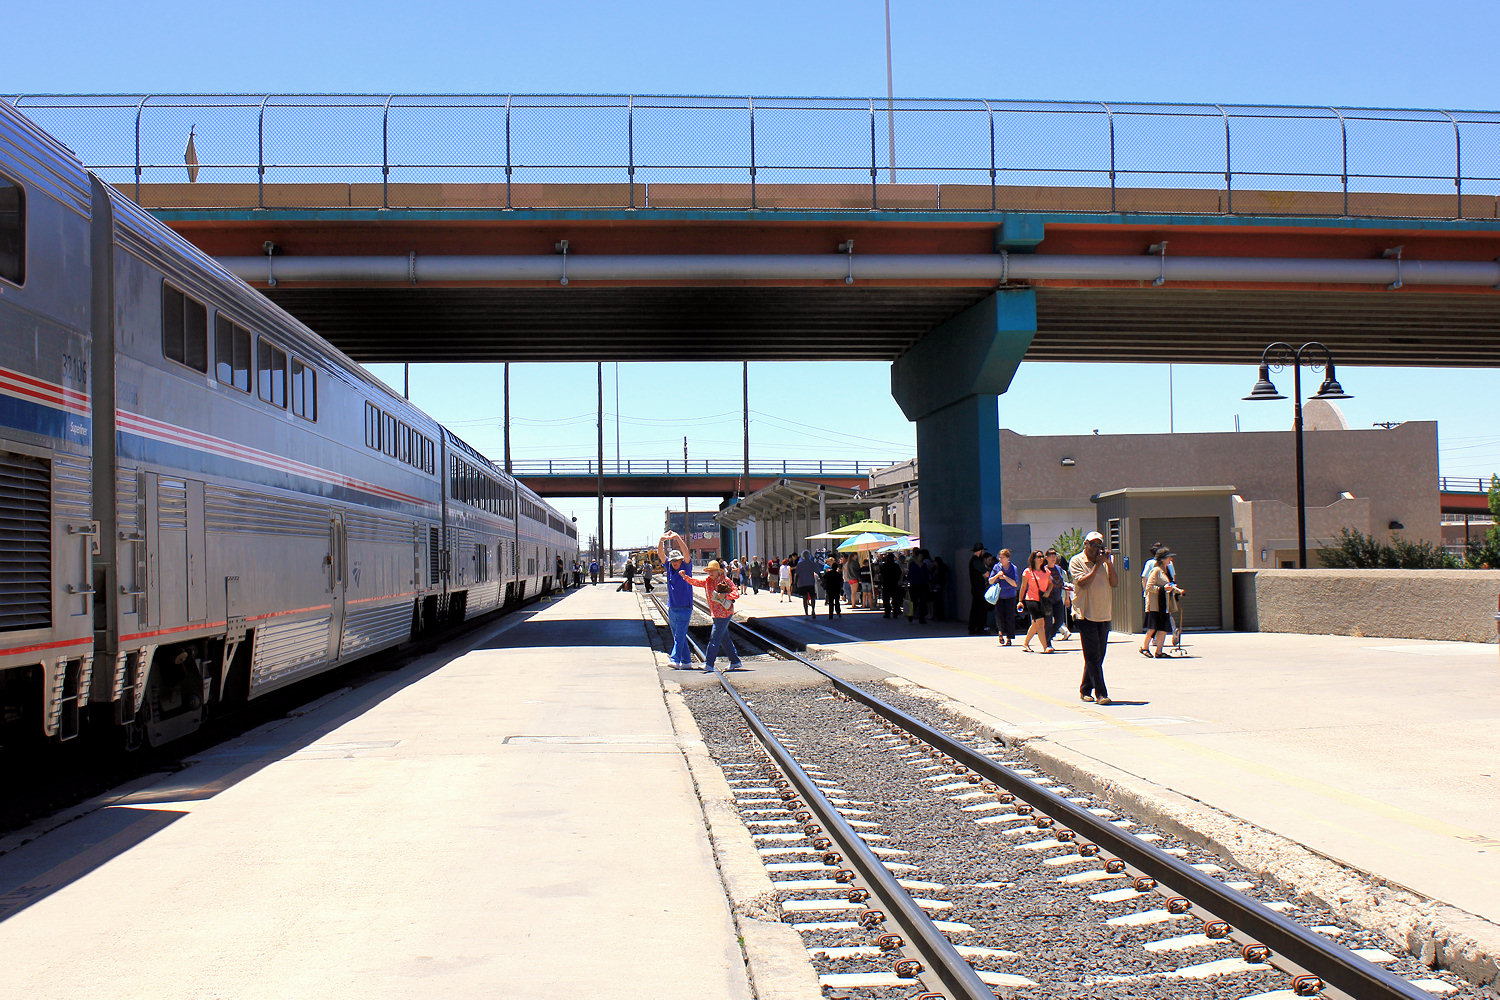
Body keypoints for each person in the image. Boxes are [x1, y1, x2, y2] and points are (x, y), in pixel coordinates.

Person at [1069, 530, 1120, 705]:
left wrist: (1108, 563)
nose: (1096, 549)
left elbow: (1114, 582)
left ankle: (1085, 688)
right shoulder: (1077, 561)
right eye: (1093, 545)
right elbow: (1082, 583)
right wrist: (1097, 565)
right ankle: (1101, 693)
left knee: (1099, 655)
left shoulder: (1105, 562)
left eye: (1099, 545)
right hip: (1085, 613)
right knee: (1092, 655)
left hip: (1103, 612)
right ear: (1086, 544)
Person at [677, 559, 743, 671]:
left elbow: (736, 593)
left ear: (718, 571)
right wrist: (685, 577)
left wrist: (725, 595)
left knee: (714, 638)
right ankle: (735, 662)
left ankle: (709, 664)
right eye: (709, 571)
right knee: (723, 638)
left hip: (724, 614)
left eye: (713, 571)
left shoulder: (726, 581)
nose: (710, 573)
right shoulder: (708, 582)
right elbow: (696, 582)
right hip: (716, 614)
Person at [658, 533, 695, 668]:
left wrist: (677, 538)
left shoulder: (686, 567)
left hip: (685, 606)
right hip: (672, 607)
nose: (674, 563)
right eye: (672, 561)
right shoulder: (668, 568)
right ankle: (686, 661)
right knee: (678, 636)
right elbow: (661, 554)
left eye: (676, 560)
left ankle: (674, 659)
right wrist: (661, 540)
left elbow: (686, 552)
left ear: (681, 560)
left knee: (679, 635)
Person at [1140, 549, 1183, 658]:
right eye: (1169, 557)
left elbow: (1169, 585)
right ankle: (1144, 647)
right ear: (1163, 559)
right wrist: (1162, 588)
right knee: (1153, 627)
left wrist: (1178, 591)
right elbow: (1149, 587)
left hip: (1164, 605)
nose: (1171, 560)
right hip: (1155, 605)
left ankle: (1159, 651)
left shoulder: (1165, 571)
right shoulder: (1156, 571)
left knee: (1163, 628)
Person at [1018, 550, 1055, 653]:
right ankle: (1045, 646)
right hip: (1031, 599)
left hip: (1042, 600)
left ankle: (1025, 643)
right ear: (1033, 559)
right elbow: (1023, 586)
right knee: (1040, 622)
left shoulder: (1046, 571)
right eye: (1039, 557)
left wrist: (1048, 591)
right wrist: (1020, 601)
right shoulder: (1028, 572)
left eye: (1042, 556)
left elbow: (1051, 583)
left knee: (1035, 623)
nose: (1041, 559)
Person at [988, 548, 1020, 645]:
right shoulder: (996, 567)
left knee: (1010, 616)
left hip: (1010, 595)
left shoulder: (1013, 568)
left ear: (1008, 558)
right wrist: (997, 575)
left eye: (1002, 557)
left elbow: (1015, 584)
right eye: (1000, 557)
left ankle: (1009, 638)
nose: (1000, 559)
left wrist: (1005, 577)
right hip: (1000, 595)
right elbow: (990, 581)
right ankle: (1001, 632)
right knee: (999, 616)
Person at [1044, 548, 1070, 644]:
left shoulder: (1059, 569)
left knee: (1059, 620)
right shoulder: (1044, 570)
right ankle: (1047, 643)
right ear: (1046, 558)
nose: (1053, 558)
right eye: (1051, 556)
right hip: (1048, 599)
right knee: (1048, 621)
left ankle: (1049, 636)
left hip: (1058, 598)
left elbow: (1062, 583)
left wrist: (1068, 593)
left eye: (1054, 555)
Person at [905, 548, 930, 624]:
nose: (921, 558)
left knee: (923, 602)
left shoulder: (924, 565)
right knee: (914, 602)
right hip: (914, 585)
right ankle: (911, 615)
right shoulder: (912, 564)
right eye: (920, 556)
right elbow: (910, 574)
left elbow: (926, 575)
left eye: (922, 556)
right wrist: (907, 582)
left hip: (923, 585)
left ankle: (921, 618)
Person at [793, 548, 820, 618]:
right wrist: (822, 579)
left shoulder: (799, 564)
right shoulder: (812, 564)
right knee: (813, 597)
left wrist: (795, 583)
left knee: (804, 597)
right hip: (811, 582)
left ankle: (806, 612)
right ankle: (813, 610)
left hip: (802, 583)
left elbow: (797, 575)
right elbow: (818, 572)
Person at [878, 552, 903, 619]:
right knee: (895, 599)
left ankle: (887, 612)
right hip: (894, 584)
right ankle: (895, 612)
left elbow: (880, 575)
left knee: (886, 599)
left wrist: (881, 583)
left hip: (886, 584)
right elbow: (899, 573)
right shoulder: (896, 566)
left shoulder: (884, 566)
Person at [931, 556, 948, 620]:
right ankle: (938, 615)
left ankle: (938, 615)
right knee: (938, 601)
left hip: (938, 585)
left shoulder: (938, 569)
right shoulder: (938, 568)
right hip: (938, 586)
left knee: (937, 601)